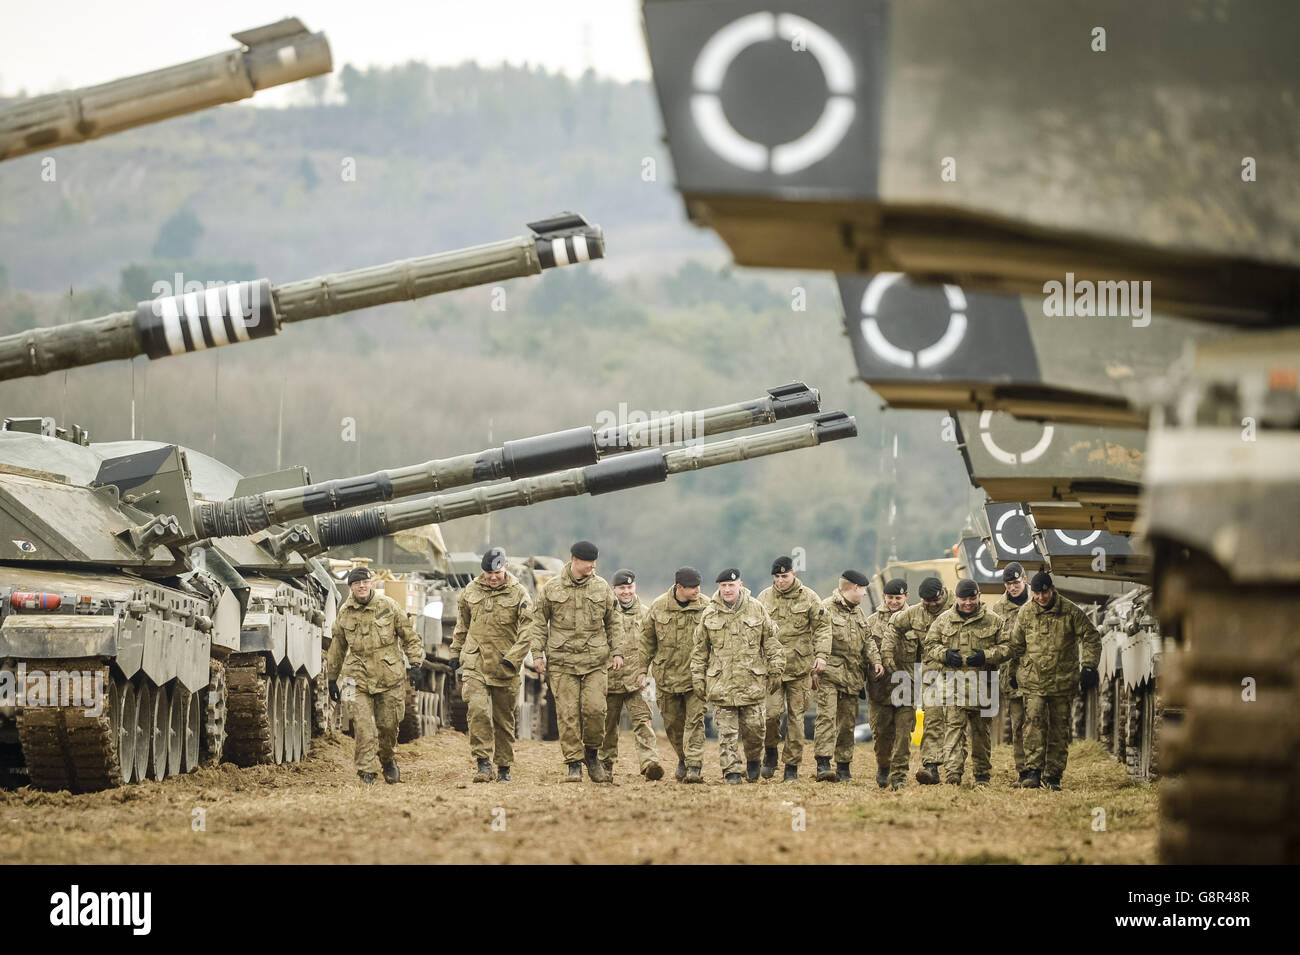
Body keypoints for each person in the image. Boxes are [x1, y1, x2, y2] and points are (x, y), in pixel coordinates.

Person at [521, 540, 621, 783]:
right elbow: (538, 623)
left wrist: (617, 651)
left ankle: (592, 754)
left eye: (595, 561)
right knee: (567, 715)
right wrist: (537, 655)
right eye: (588, 562)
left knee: (596, 710)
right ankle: (573, 763)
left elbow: (614, 621)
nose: (593, 566)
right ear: (575, 561)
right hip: (562, 662)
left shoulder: (601, 587)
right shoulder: (552, 588)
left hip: (595, 661)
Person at [327, 567, 424, 784]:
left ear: (371, 584)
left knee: (388, 725)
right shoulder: (344, 612)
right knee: (362, 725)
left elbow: (409, 636)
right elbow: (337, 647)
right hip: (354, 678)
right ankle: (366, 771)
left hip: (389, 676)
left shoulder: (388, 606)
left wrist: (415, 663)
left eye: (365, 582)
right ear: (351, 587)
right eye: (356, 583)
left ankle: (388, 760)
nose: (361, 586)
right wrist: (332, 679)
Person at [1008, 571, 1102, 790]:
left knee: (1059, 729)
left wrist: (1089, 666)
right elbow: (1016, 645)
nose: (1041, 597)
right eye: (1037, 593)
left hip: (1062, 681)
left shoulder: (1070, 611)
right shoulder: (1026, 612)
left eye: (1045, 592)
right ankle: (1033, 771)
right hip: (1034, 682)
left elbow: (1091, 636)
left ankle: (1053, 776)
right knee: (1033, 725)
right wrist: (1012, 673)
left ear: (1052, 590)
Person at [691, 568, 785, 784]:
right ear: (718, 588)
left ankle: (753, 761)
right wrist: (698, 676)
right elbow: (700, 650)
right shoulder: (709, 613)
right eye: (723, 586)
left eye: (731, 585)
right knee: (726, 733)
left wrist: (776, 669)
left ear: (740, 585)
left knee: (755, 731)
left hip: (752, 683)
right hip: (721, 685)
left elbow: (771, 642)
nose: (727, 590)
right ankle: (731, 771)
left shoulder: (757, 609)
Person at [451, 547, 532, 783]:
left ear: (505, 567)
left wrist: (514, 658)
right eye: (488, 573)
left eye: (497, 572)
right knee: (477, 711)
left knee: (503, 720)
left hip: (505, 664)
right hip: (475, 661)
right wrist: (455, 653)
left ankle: (504, 766)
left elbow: (528, 631)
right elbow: (462, 626)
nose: (493, 577)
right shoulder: (470, 591)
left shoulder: (519, 593)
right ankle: (483, 764)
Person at [923, 578, 1007, 786]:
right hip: (953, 685)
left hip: (983, 685)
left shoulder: (994, 620)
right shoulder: (943, 620)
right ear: (956, 598)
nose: (968, 603)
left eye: (972, 598)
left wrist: (986, 656)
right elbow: (930, 644)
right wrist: (944, 654)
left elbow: (1008, 647)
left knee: (981, 733)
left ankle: (982, 774)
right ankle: (953, 773)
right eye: (963, 599)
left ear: (979, 596)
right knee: (953, 729)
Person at [757, 556, 832, 780]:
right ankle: (770, 751)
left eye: (784, 576)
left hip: (801, 668)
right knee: (770, 715)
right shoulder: (763, 598)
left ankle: (791, 766)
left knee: (796, 719)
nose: (780, 581)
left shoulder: (809, 598)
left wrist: (821, 656)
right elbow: (755, 631)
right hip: (773, 670)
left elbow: (823, 628)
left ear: (794, 574)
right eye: (777, 577)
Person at [638, 567, 709, 783]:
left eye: (699, 586)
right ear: (679, 588)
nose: (697, 591)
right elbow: (647, 641)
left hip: (696, 678)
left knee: (695, 722)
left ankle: (694, 766)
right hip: (667, 678)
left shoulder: (707, 607)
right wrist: (642, 669)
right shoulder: (658, 607)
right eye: (692, 588)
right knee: (673, 725)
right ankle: (683, 758)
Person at [812, 570, 882, 783]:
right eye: (863, 590)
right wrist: (813, 669)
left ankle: (843, 767)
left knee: (847, 723)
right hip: (829, 673)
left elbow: (868, 640)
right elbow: (813, 638)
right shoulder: (825, 608)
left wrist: (876, 660)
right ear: (854, 588)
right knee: (826, 718)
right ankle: (823, 764)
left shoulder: (859, 613)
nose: (864, 594)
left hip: (852, 676)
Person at [882, 576, 954, 785]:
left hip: (960, 673)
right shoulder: (916, 613)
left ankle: (957, 769)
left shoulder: (957, 608)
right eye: (926, 601)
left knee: (957, 723)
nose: (930, 605)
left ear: (942, 594)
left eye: (934, 601)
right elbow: (894, 627)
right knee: (932, 720)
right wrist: (887, 653)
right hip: (932, 674)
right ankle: (931, 767)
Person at [599, 569, 663, 781]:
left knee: (644, 722)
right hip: (611, 680)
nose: (626, 592)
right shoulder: (604, 614)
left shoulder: (647, 614)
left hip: (642, 681)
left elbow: (655, 646)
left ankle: (650, 763)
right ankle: (605, 765)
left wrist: (650, 675)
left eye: (629, 587)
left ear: (635, 587)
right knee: (607, 727)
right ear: (614, 589)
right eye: (621, 588)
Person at [866, 578, 910, 788]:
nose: (894, 602)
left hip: (907, 687)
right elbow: (863, 652)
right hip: (880, 688)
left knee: (903, 736)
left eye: (898, 598)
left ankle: (899, 775)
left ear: (906, 597)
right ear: (884, 597)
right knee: (882, 734)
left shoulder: (915, 620)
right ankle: (883, 766)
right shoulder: (871, 622)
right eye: (890, 597)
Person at [990, 562, 1030, 783]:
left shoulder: (1040, 599)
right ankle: (1024, 771)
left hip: (1040, 675)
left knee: (1040, 723)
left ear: (1024, 579)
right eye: (1008, 584)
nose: (1012, 587)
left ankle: (1041, 769)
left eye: (1015, 582)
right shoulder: (999, 609)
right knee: (1018, 725)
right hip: (1011, 677)